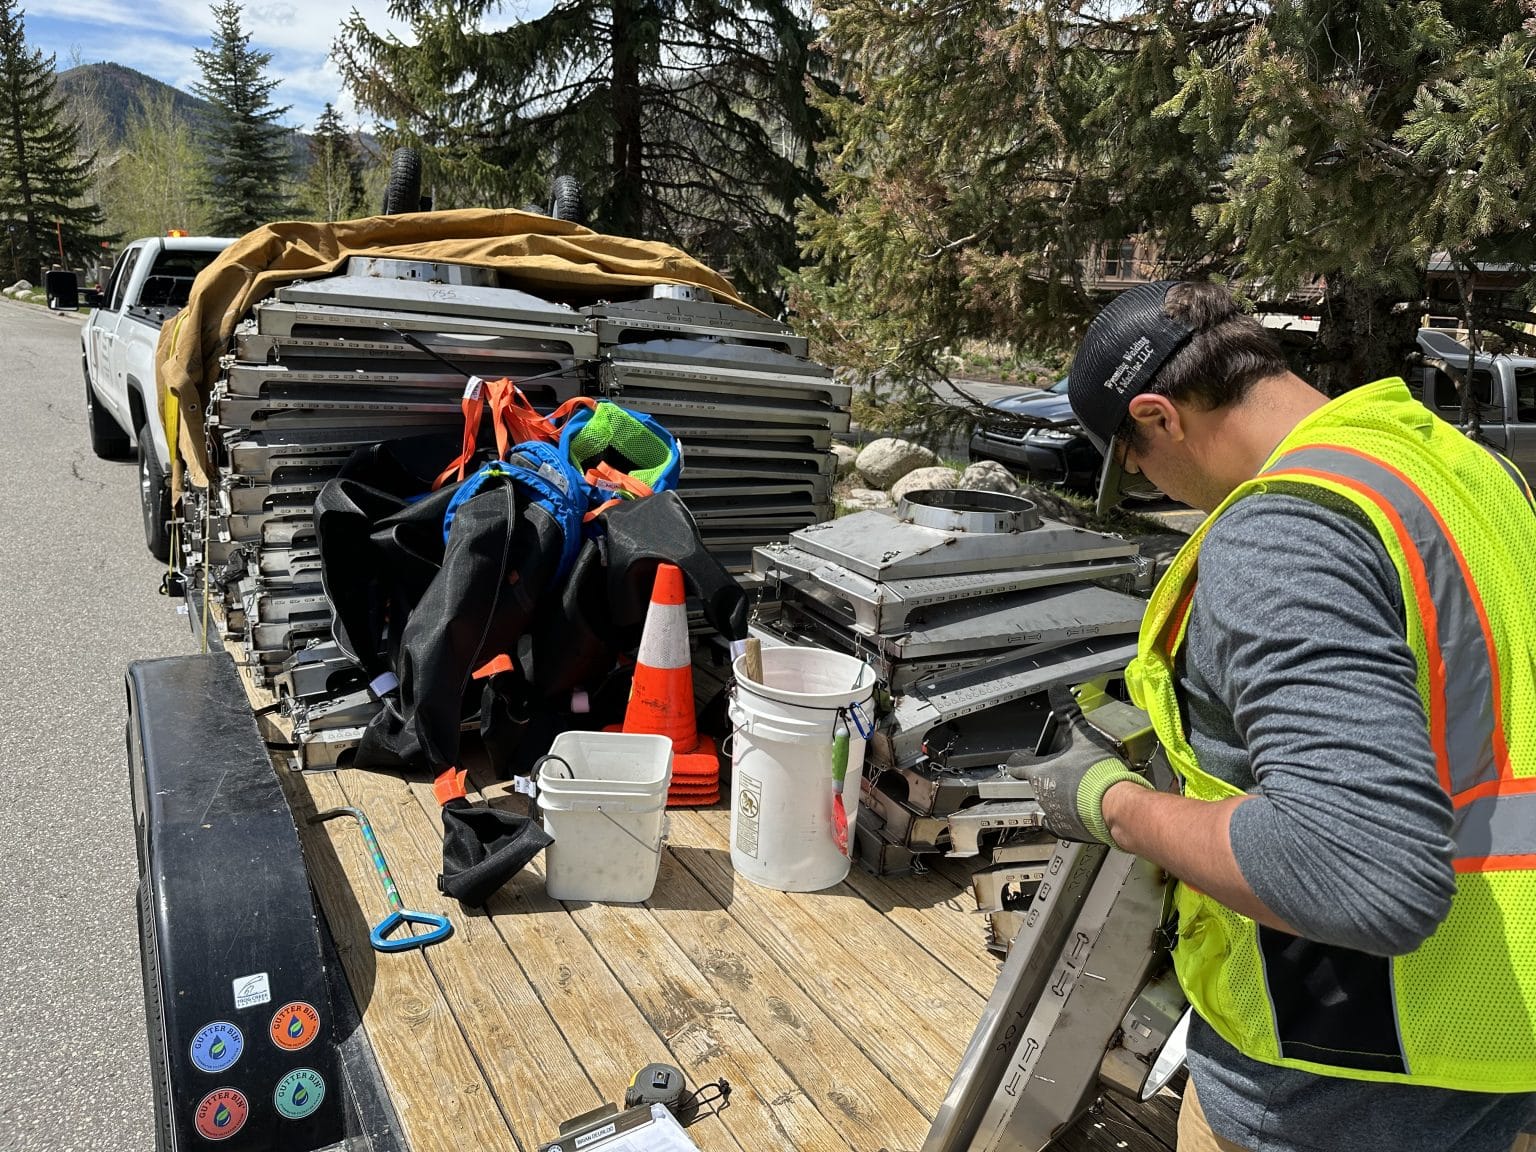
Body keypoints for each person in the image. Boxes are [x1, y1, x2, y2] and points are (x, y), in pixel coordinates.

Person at [1024, 280, 1536, 1152]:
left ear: (1158, 416)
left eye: (1136, 463)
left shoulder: (1285, 532)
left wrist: (1113, 805)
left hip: (1346, 1065)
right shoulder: (1460, 466)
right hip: (1495, 1027)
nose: (1150, 483)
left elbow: (1357, 875)